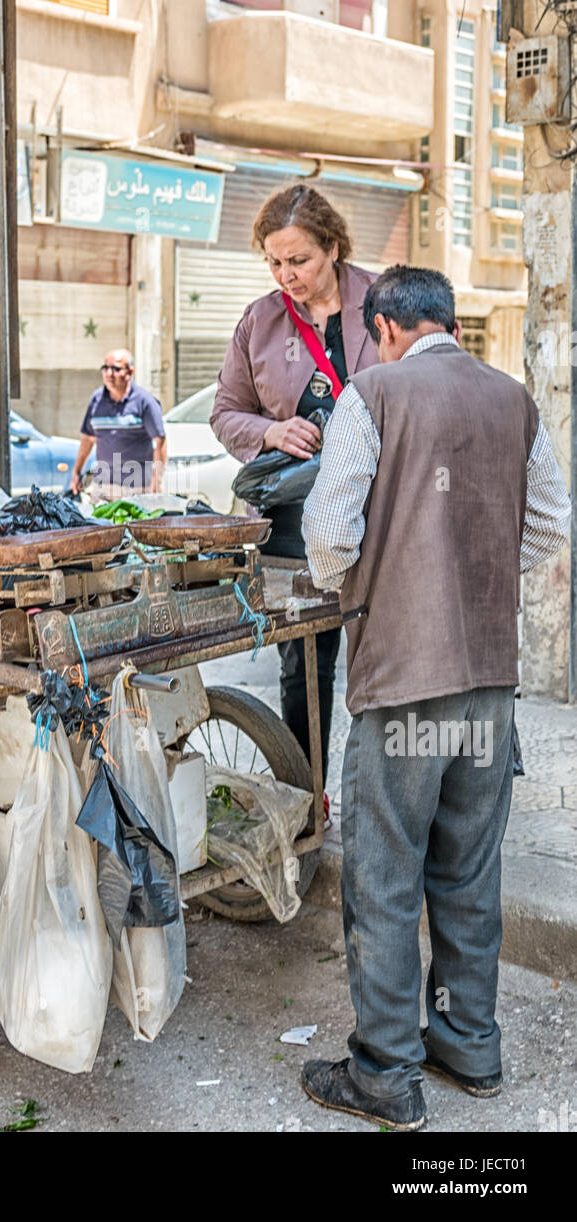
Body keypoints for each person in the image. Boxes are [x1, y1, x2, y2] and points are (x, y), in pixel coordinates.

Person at [300, 265, 570, 1131]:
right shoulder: (513, 399)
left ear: (382, 329)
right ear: (450, 324)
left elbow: (330, 535)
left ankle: (384, 1072)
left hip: (403, 684)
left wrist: (376, 580)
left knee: (383, 875)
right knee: (466, 870)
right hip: (490, 687)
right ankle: (468, 1043)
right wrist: (471, 574)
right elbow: (551, 529)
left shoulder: (371, 395)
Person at [210, 184, 379, 781]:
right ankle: (308, 792)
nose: (287, 274)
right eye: (275, 262)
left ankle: (379, 799)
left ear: (332, 247)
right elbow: (225, 410)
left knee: (380, 657)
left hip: (378, 516)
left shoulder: (383, 303)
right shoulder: (260, 321)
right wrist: (272, 433)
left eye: (300, 260)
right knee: (305, 660)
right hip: (292, 523)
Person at [71, 348, 167, 497]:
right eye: (106, 368)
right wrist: (76, 472)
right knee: (97, 521)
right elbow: (88, 438)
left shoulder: (145, 401)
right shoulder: (96, 400)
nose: (109, 374)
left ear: (130, 372)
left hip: (137, 488)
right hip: (103, 486)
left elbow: (159, 441)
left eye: (115, 369)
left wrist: (156, 482)